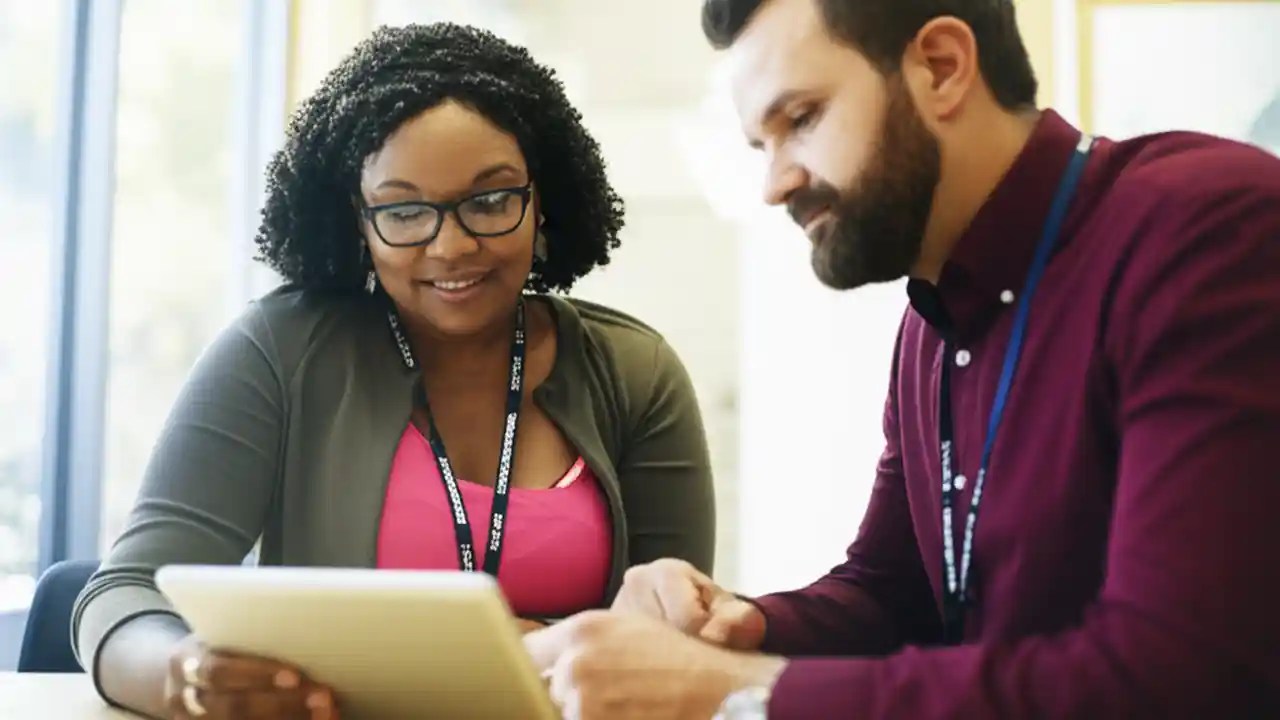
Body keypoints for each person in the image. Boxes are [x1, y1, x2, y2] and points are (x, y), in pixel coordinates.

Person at [526, 0, 1280, 717]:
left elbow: (1177, 676)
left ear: (943, 67)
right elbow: (893, 595)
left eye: (802, 119)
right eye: (763, 145)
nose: (775, 184)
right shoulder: (933, 317)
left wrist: (736, 693)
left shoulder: (1207, 230)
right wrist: (729, 627)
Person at [72, 23, 716, 720]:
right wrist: (184, 673)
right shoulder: (278, 353)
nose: (452, 246)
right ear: (358, 220)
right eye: (404, 211)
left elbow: (681, 639)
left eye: (490, 201)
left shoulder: (635, 373)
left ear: (543, 200)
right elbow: (123, 593)